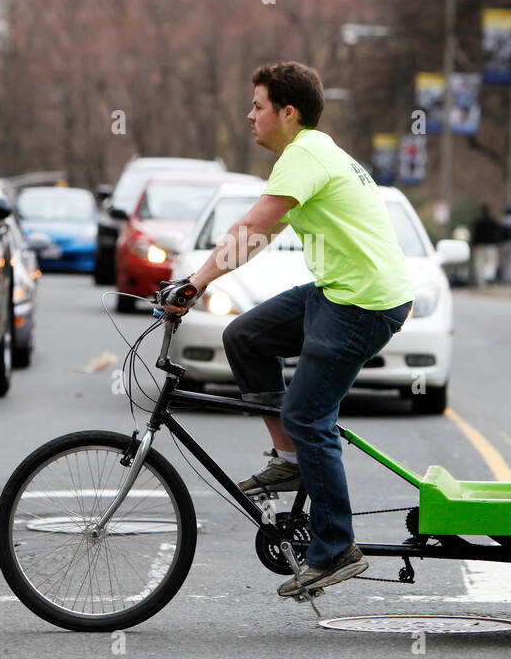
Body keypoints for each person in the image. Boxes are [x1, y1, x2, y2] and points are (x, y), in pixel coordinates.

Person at [161, 61, 414, 597]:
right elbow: (259, 237)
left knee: (308, 413)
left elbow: (250, 227)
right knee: (244, 336)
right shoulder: (307, 156)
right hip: (337, 292)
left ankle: (336, 548)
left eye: (257, 106)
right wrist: (202, 280)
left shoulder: (305, 155)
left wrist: (194, 282)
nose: (249, 115)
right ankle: (291, 460)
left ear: (287, 112)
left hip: (363, 303)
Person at [471, 203, 501, 286]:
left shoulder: (477, 221)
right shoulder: (493, 221)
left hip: (479, 246)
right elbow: (498, 232)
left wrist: (473, 245)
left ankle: (481, 281)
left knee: (480, 263)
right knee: (491, 262)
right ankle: (488, 277)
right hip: (491, 245)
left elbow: (474, 235)